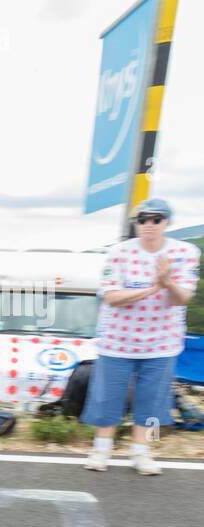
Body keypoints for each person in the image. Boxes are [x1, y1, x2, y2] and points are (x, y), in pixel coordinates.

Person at [83, 197, 200, 475]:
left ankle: (144, 452)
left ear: (167, 222)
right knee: (107, 397)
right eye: (143, 219)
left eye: (156, 219)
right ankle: (101, 449)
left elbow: (182, 298)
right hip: (117, 340)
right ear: (136, 223)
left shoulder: (186, 252)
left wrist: (167, 282)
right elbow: (111, 297)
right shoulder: (119, 253)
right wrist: (151, 289)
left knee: (155, 402)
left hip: (162, 342)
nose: (149, 225)